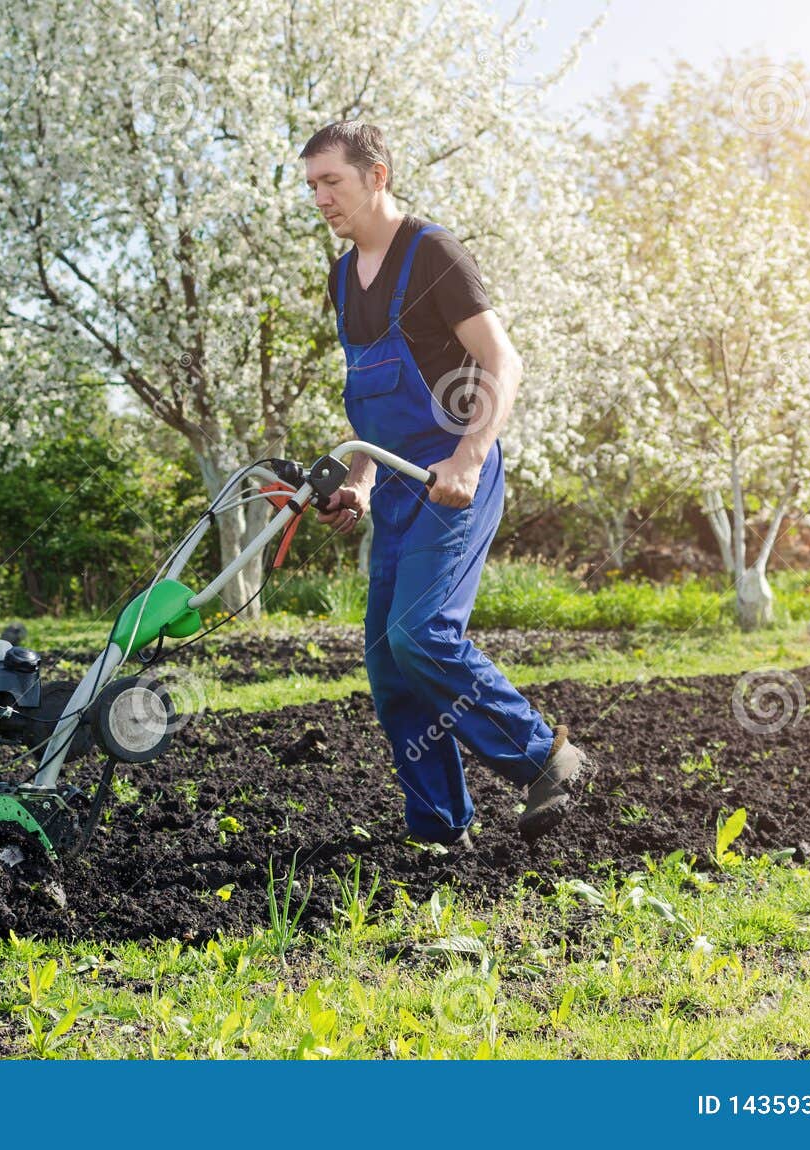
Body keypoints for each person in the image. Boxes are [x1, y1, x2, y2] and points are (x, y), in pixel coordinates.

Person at [300, 120, 590, 848]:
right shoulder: (341, 276)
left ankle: (545, 758)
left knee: (419, 634)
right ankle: (437, 827)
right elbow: (368, 402)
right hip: (396, 484)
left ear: (377, 176)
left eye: (332, 180)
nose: (320, 198)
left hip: (457, 474)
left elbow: (502, 360)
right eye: (311, 185)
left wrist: (466, 457)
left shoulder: (431, 254)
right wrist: (360, 482)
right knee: (388, 667)